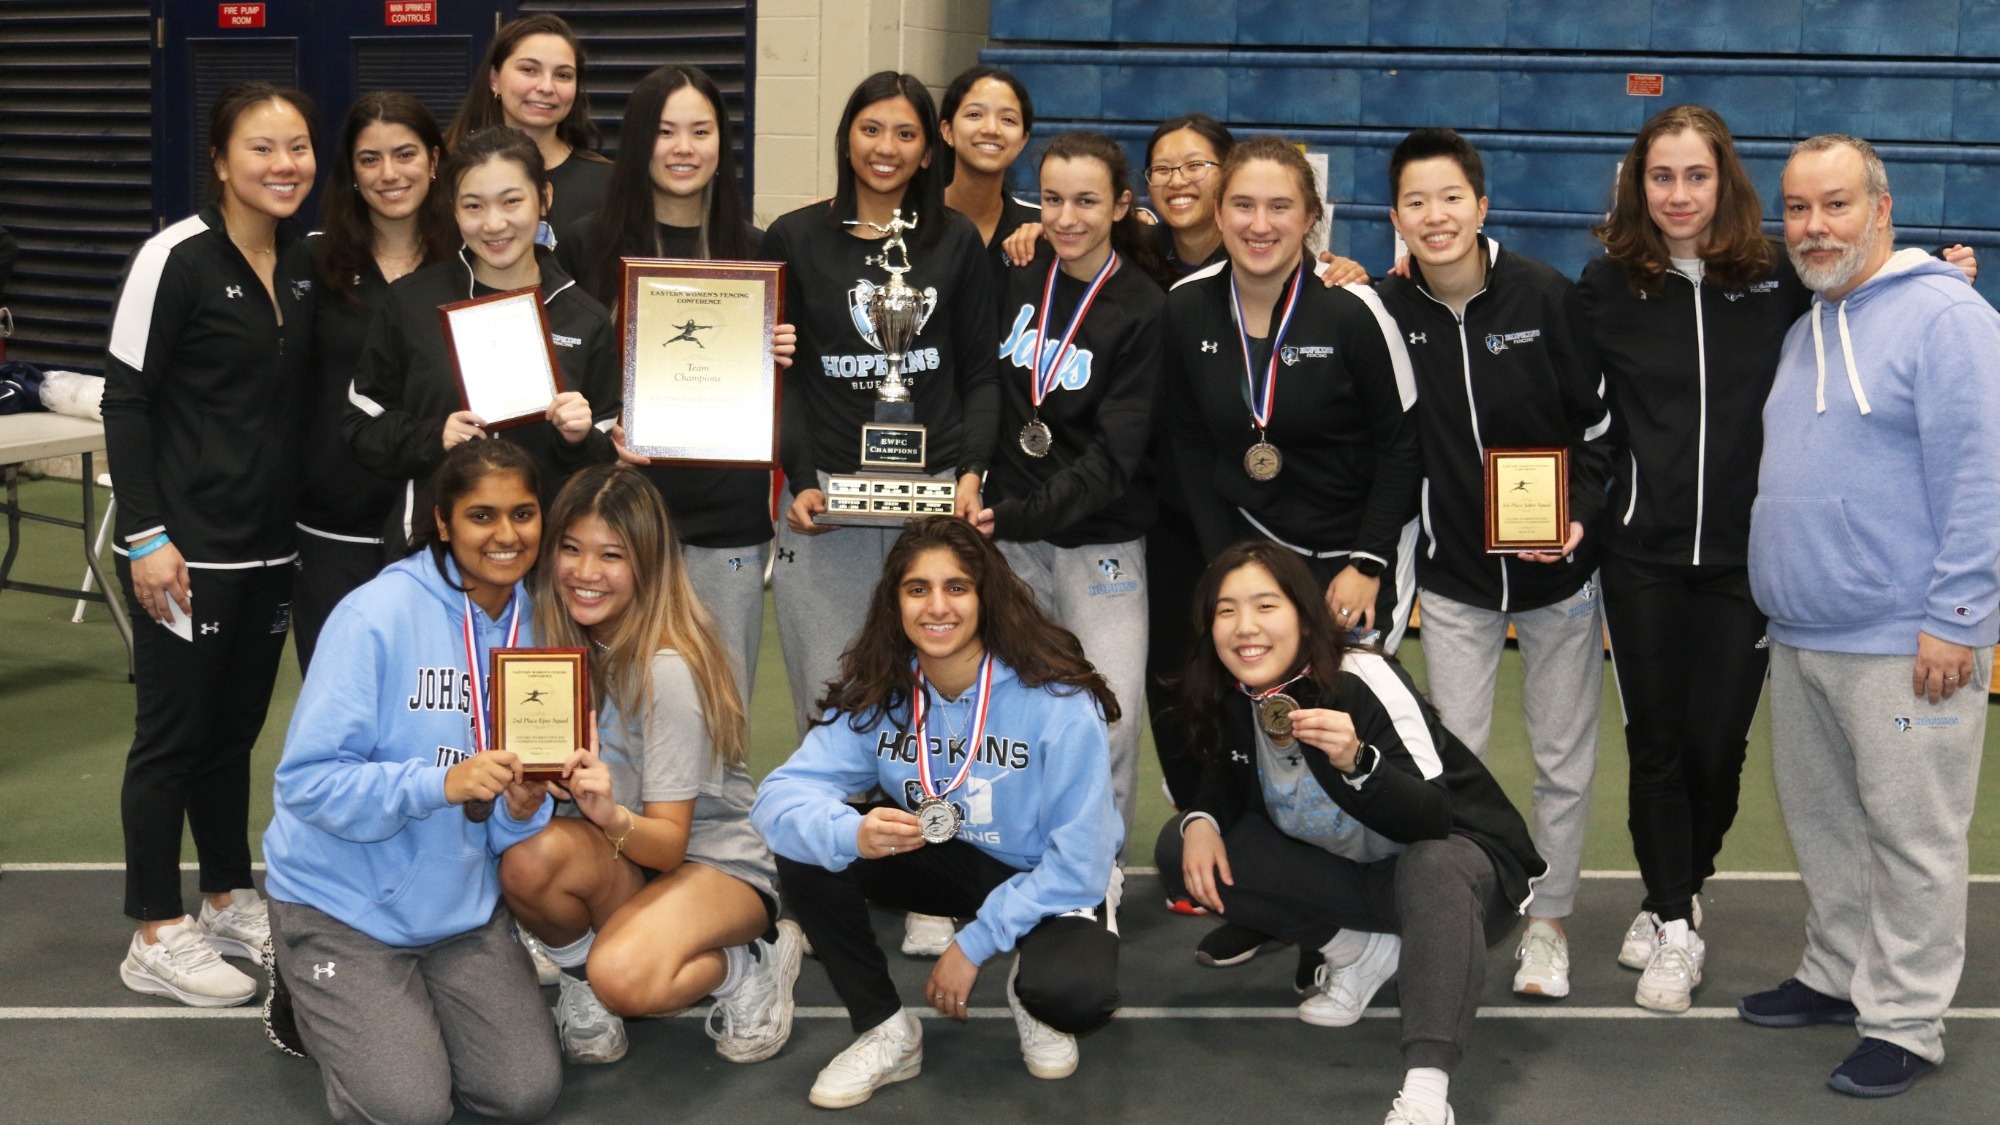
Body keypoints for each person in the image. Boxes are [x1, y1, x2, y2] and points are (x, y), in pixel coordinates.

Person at [1578, 105, 1979, 1013]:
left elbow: (1869, 288)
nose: (1679, 194)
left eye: (1697, 175)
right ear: (1638, 187)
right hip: (1641, 557)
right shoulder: (1604, 287)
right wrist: (1392, 282)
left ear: (1726, 182)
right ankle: (1672, 918)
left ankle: (1681, 887)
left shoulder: (1779, 278)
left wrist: (1939, 282)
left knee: (1717, 747)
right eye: (1661, 177)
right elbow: (1557, 392)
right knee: (1656, 745)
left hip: (1747, 566)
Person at [1737, 133, 2000, 1099]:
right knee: (1827, 825)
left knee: (1913, 836)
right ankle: (1838, 971)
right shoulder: (1807, 327)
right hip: (1803, 634)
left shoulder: (1947, 317)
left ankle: (1906, 1020)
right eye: (1798, 209)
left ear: (1881, 209)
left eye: (1835, 204)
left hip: (1906, 642)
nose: (1814, 226)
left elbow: (1983, 475)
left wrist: (1959, 616)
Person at [1157, 540, 1544, 1125]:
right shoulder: (1234, 689)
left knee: (1432, 865)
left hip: (1461, 880)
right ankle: (1359, 953)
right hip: (1359, 877)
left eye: (1265, 606)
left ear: (1303, 614)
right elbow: (1226, 778)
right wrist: (1204, 820)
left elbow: (1435, 818)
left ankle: (1427, 1092)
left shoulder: (1362, 676)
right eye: (1226, 611)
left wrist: (1360, 762)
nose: (1245, 627)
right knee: (1180, 845)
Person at [751, 517, 1122, 1109]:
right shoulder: (883, 691)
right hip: (949, 857)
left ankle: (1031, 982)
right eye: (917, 589)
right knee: (810, 846)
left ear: (986, 596)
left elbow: (1079, 861)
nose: (937, 607)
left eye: (957, 587)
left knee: (1071, 995)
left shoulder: (1057, 700)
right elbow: (777, 797)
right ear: (895, 602)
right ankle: (886, 1030)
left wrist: (973, 945)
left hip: (1047, 874)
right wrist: (852, 832)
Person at [1370, 127, 1610, 1003]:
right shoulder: (1384, 312)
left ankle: (1549, 923)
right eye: (1416, 201)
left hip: (1558, 577)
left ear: (1481, 204)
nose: (1435, 215)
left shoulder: (1545, 295)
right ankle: (1460, 914)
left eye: (1450, 197)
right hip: (1455, 581)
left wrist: (1578, 518)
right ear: (1395, 217)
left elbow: (1599, 434)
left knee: (1562, 758)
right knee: (1452, 759)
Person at [260, 439, 562, 1124]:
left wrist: (521, 808)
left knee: (523, 1092)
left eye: (523, 513)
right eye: (482, 515)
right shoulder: (375, 615)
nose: (507, 534)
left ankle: (403, 1006)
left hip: (460, 910)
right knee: (409, 1109)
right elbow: (307, 782)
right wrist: (438, 784)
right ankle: (299, 980)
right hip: (344, 904)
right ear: (444, 522)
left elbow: (511, 813)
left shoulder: (539, 625)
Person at [102, 81, 317, 1006]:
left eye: (298, 146)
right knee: (172, 738)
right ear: (222, 162)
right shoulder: (175, 257)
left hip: (271, 550)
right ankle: (154, 927)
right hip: (184, 554)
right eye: (261, 148)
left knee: (233, 734)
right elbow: (126, 400)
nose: (284, 164)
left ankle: (226, 894)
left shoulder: (305, 259)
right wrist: (147, 536)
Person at [500, 464, 803, 1067]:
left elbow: (667, 846)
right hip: (623, 852)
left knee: (626, 978)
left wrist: (606, 813)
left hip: (710, 861)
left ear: (648, 563)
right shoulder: (550, 645)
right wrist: (525, 799)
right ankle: (581, 976)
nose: (585, 572)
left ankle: (750, 961)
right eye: (571, 549)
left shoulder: (666, 668)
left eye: (611, 555)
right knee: (527, 860)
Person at [761, 71, 998, 739]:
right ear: (846, 139)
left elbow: (981, 374)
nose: (886, 147)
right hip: (828, 498)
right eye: (871, 129)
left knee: (939, 694)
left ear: (928, 151)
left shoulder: (955, 240)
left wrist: (970, 474)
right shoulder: (793, 237)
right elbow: (784, 378)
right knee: (831, 699)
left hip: (934, 496)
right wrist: (801, 478)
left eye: (905, 133)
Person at [574, 64, 795, 700]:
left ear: (722, 143)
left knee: (719, 704)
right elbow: (571, 378)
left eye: (701, 131)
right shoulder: (587, 247)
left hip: (727, 518)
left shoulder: (757, 252)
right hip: (618, 513)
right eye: (666, 131)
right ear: (639, 140)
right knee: (612, 709)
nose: (684, 148)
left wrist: (784, 352)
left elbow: (789, 391)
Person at [976, 129, 1164, 843]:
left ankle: (1097, 869)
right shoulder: (1015, 275)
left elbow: (1116, 458)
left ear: (1120, 206)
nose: (1066, 217)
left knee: (1106, 717)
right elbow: (983, 388)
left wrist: (1013, 515)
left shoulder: (1143, 307)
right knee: (1014, 713)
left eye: (1086, 201)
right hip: (1012, 544)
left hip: (1099, 543)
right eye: (1052, 200)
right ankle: (1016, 856)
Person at [343, 125, 616, 550]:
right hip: (432, 551)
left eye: (511, 201)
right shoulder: (412, 302)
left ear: (544, 198)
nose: (494, 224)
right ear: (453, 210)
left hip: (545, 558)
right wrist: (435, 437)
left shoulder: (586, 318)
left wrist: (579, 439)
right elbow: (361, 424)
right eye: (473, 205)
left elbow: (609, 463)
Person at [286, 91, 453, 673]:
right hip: (332, 525)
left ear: (434, 160)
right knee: (339, 694)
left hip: (439, 524)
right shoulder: (310, 262)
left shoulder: (470, 266)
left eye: (405, 154)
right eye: (370, 159)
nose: (389, 174)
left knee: (432, 698)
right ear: (351, 173)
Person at [447, 13, 612, 252]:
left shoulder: (607, 183)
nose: (546, 87)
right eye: (529, 69)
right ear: (494, 79)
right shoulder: (445, 172)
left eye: (563, 75)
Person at [939, 65, 1039, 279]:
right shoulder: (911, 222)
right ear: (948, 132)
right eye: (975, 114)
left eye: (1008, 119)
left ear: (1023, 141)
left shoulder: (1039, 226)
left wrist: (1053, 238)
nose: (992, 129)